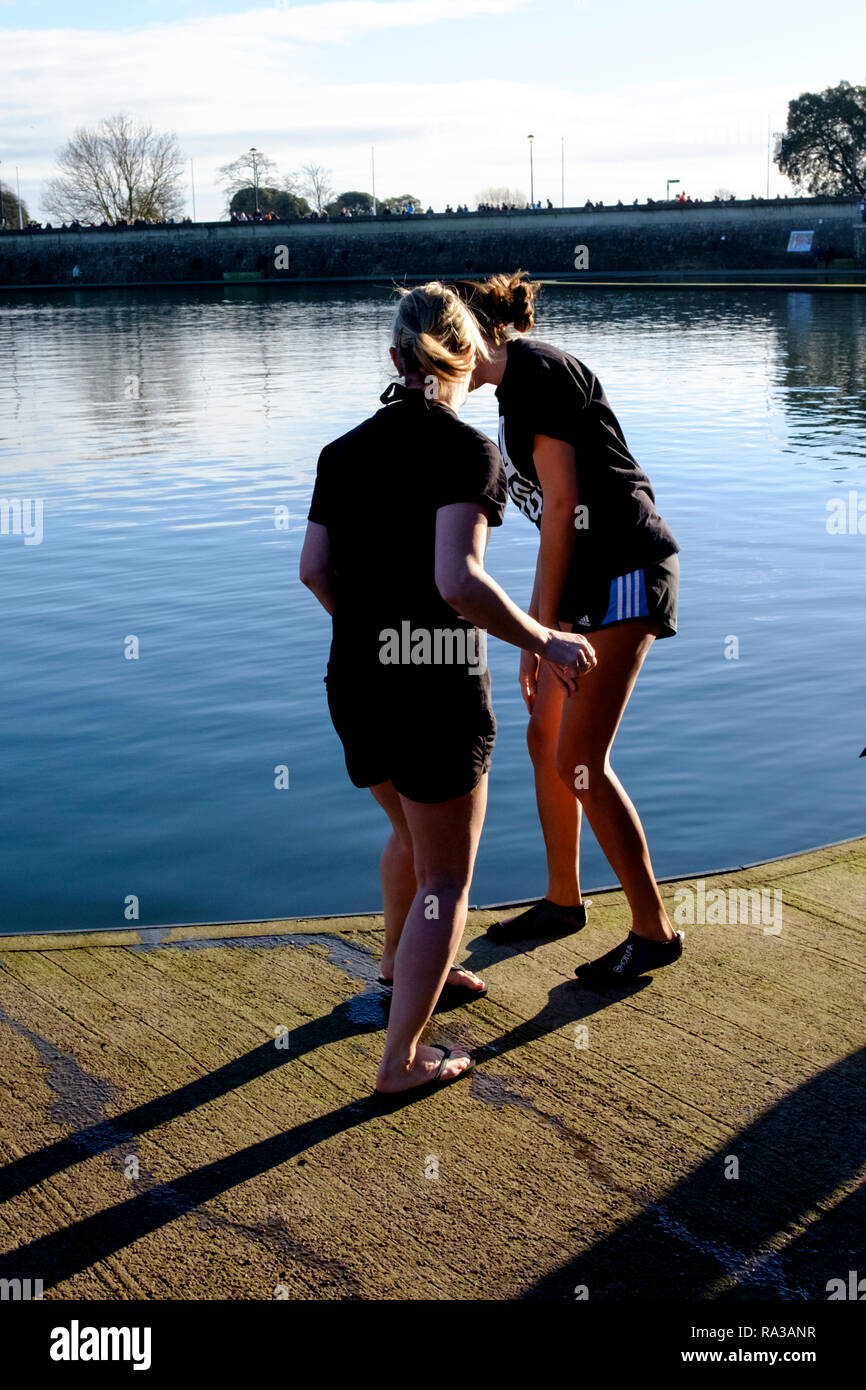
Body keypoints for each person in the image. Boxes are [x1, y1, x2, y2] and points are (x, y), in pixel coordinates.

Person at [300, 283, 596, 1095]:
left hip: (354, 679)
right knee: (447, 882)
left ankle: (403, 968)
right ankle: (400, 1061)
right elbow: (457, 582)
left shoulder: (341, 452)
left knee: (410, 837)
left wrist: (372, 631)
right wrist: (546, 637)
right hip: (435, 689)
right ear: (470, 359)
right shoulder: (468, 453)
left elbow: (313, 572)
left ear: (395, 360)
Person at [451, 271, 684, 985]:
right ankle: (564, 900)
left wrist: (541, 627)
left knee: (581, 755)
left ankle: (654, 930)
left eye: (440, 350)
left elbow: (564, 507)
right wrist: (533, 629)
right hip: (587, 581)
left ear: (469, 337)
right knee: (545, 738)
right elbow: (555, 523)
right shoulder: (511, 390)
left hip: (627, 572)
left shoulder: (539, 375)